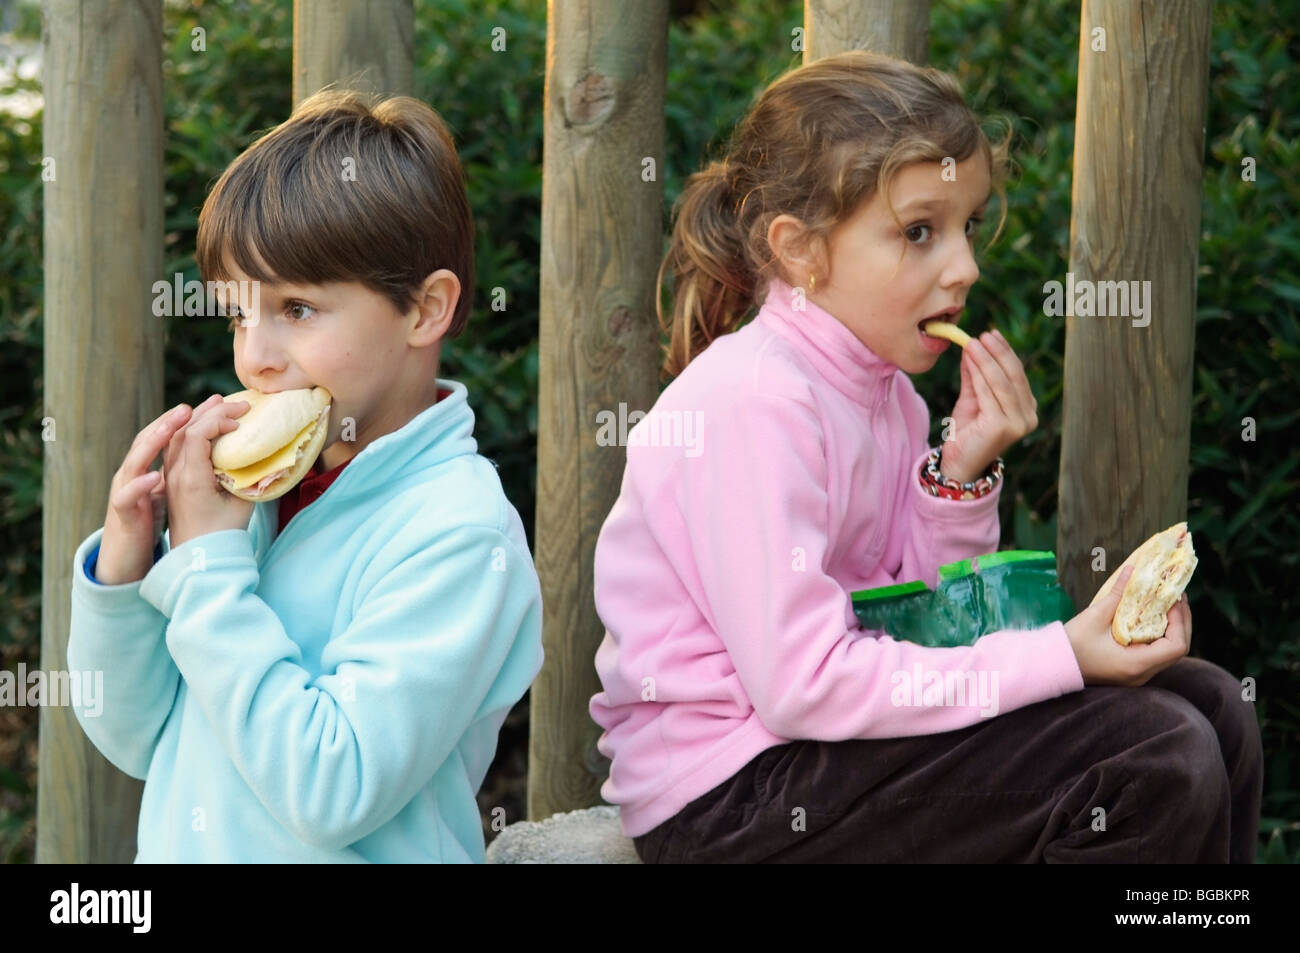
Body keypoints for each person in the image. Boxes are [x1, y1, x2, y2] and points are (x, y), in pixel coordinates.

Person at [589, 51, 1261, 863]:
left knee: (1214, 708)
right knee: (1154, 756)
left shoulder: (890, 397)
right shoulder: (754, 401)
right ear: (802, 250)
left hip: (823, 758)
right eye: (918, 232)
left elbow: (930, 631)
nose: (967, 266)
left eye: (968, 225)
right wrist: (1061, 655)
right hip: (731, 802)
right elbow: (806, 684)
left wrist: (959, 476)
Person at [67, 90, 543, 862]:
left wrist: (206, 573)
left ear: (426, 310)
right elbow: (141, 736)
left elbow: (334, 787)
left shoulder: (459, 531)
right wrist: (128, 568)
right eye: (237, 314)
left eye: (296, 308)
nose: (255, 355)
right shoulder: (256, 499)